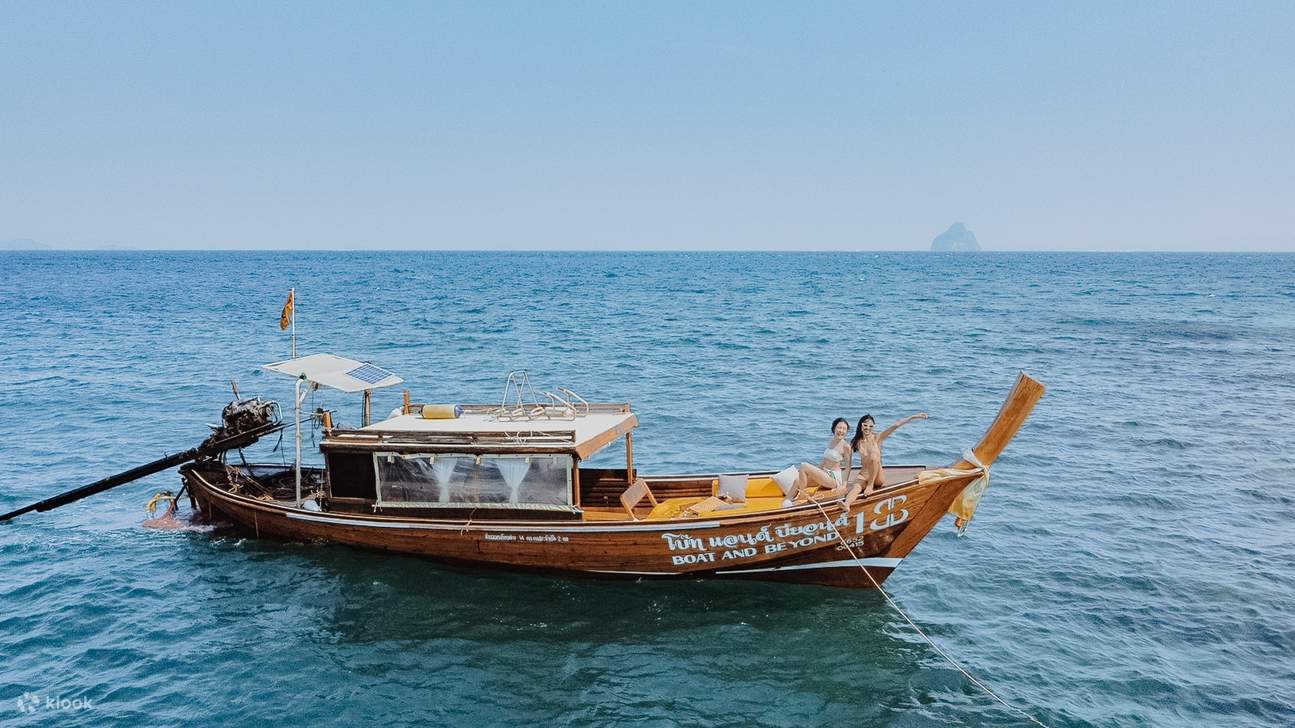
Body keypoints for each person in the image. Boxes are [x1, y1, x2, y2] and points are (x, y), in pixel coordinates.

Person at [849, 411, 928, 505]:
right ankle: (846, 505)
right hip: (864, 474)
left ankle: (870, 486)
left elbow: (895, 425)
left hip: (877, 477)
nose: (867, 428)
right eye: (865, 425)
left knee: (874, 455)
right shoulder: (856, 442)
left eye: (871, 426)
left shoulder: (877, 438)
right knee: (856, 488)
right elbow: (846, 459)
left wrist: (913, 417)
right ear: (861, 426)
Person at [793, 417, 852, 501]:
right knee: (797, 481)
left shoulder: (846, 446)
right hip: (824, 474)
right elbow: (824, 462)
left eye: (844, 429)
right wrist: (813, 473)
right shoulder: (831, 442)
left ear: (846, 431)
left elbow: (848, 467)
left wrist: (844, 485)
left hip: (833, 478)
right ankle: (787, 501)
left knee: (804, 465)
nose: (841, 430)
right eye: (839, 428)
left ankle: (802, 495)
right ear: (834, 428)